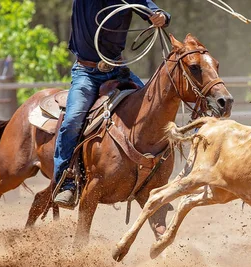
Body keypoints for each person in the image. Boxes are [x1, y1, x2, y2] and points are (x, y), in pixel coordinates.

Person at [53, 0, 171, 208]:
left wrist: (161, 16)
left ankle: (152, 181)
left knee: (152, 108)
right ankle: (65, 182)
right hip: (86, 73)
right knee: (72, 120)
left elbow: (152, 9)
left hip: (117, 68)